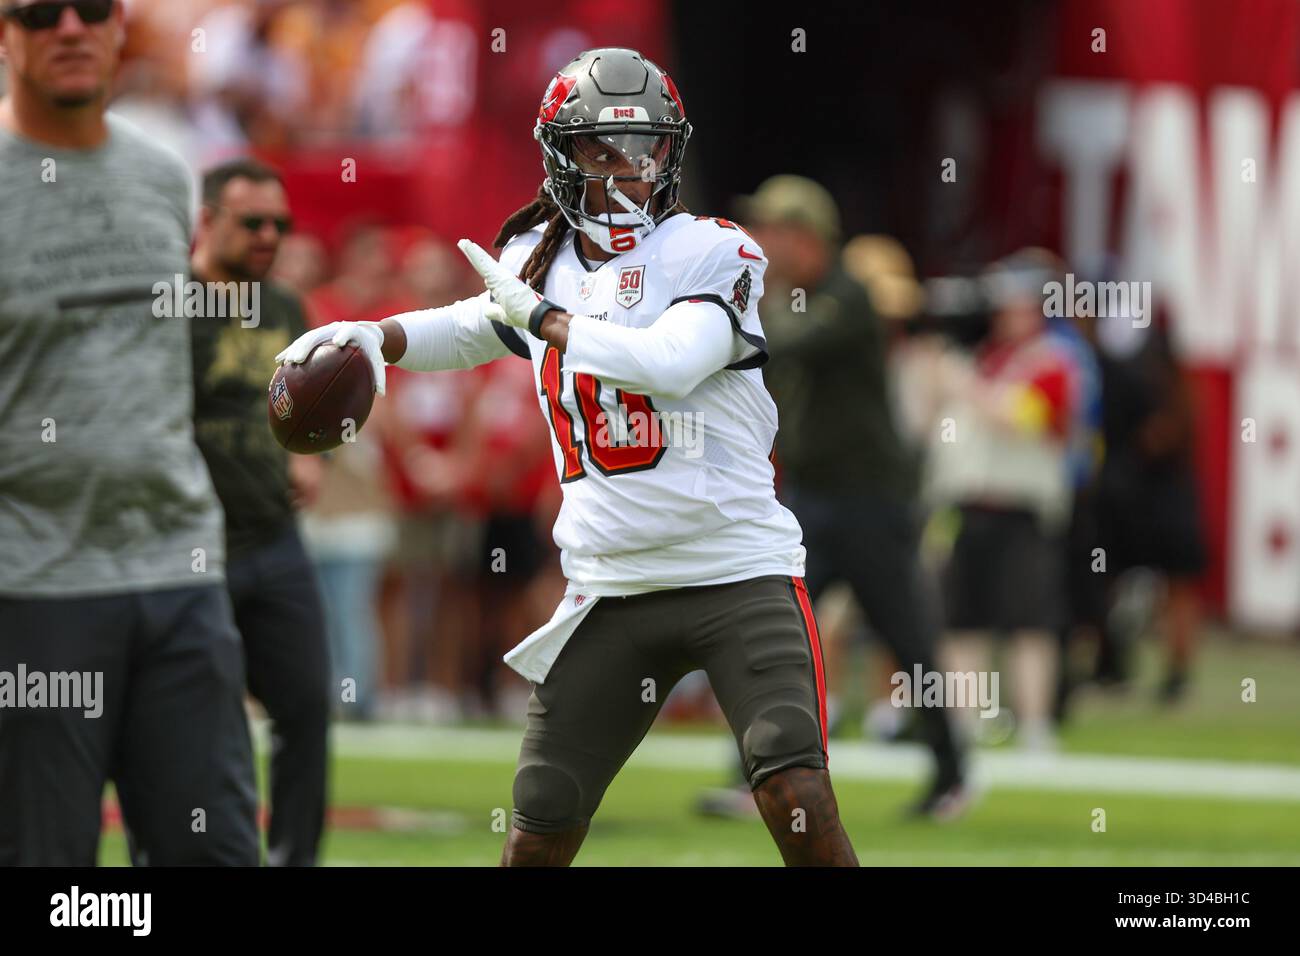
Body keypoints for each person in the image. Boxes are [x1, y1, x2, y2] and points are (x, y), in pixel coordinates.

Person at [278, 47, 859, 866]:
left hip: (734, 565)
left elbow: (668, 360)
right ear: (561, 156)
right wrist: (377, 338)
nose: (628, 168)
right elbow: (478, 325)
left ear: (672, 153)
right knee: (541, 823)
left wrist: (545, 319)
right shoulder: (536, 258)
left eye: (646, 147)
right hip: (612, 583)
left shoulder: (710, 248)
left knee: (791, 789)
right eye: (601, 148)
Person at [0, 0, 257, 865]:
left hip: (180, 572)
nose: (68, 27)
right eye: (37, 12)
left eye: (92, 8)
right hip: (31, 588)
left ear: (120, 29)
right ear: (6, 34)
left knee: (216, 854)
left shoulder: (165, 172)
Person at [699, 177, 968, 819]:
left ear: (805, 236)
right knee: (770, 633)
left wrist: (715, 326)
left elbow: (784, 346)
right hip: (813, 503)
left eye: (771, 227)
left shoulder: (847, 294)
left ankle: (952, 774)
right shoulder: (802, 297)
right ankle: (756, 775)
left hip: (869, 505)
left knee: (907, 641)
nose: (760, 240)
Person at [189, 157, 331, 865]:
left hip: (276, 542)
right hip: (195, 549)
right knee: (202, 724)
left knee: (306, 707)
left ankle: (294, 859)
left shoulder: (282, 306)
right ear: (207, 221)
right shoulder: (172, 302)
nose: (270, 235)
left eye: (281, 223)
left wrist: (313, 453)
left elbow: (313, 408)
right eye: (253, 223)